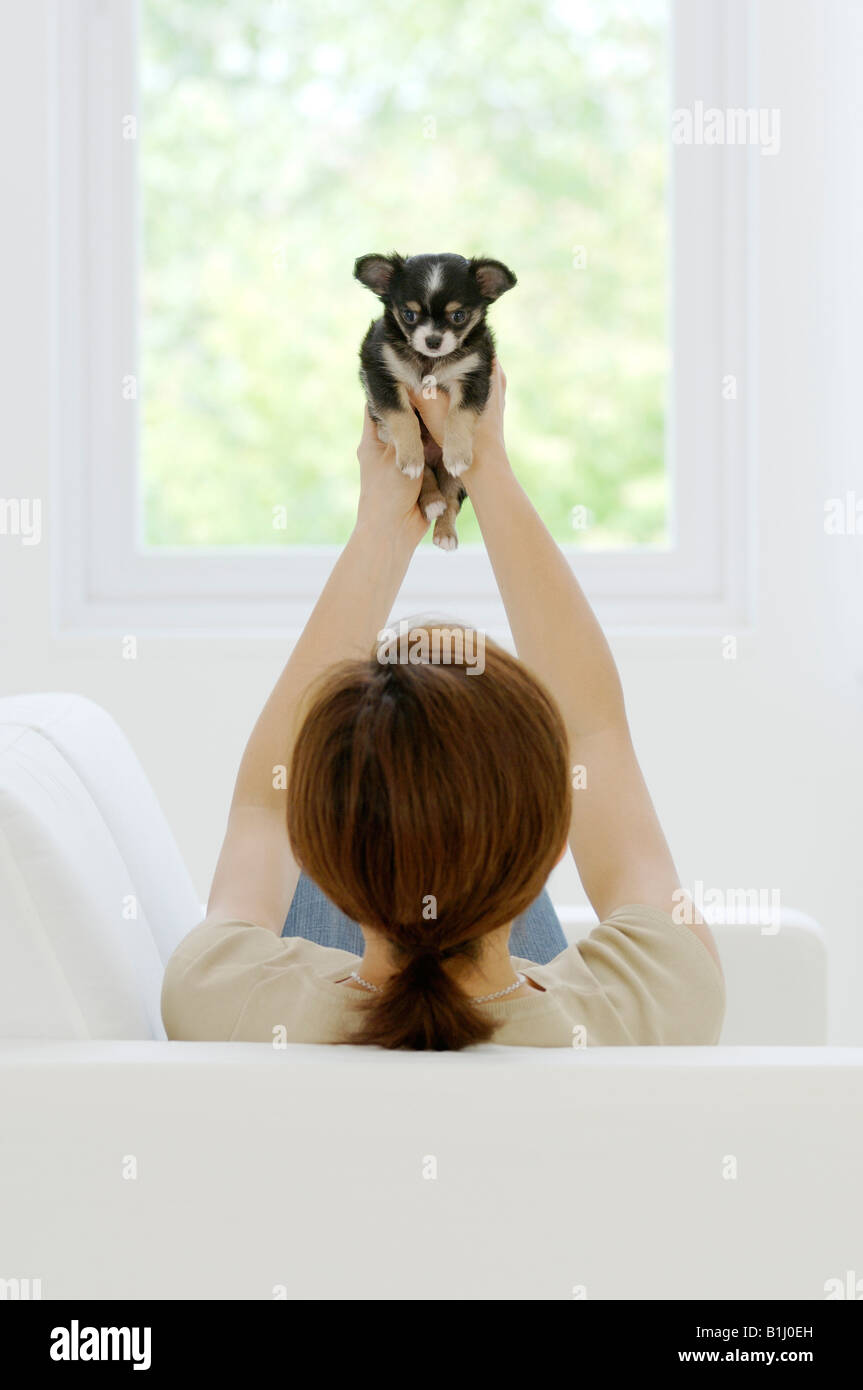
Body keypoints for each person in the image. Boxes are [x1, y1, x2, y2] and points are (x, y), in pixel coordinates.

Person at [161, 362, 725, 1050]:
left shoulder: (219, 999)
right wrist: (485, 467)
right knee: (458, 825)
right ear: (553, 850)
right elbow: (594, 735)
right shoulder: (657, 1005)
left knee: (394, 811)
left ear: (318, 849)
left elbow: (266, 805)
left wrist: (382, 527)